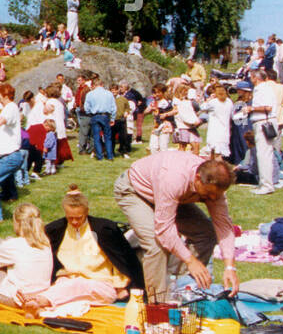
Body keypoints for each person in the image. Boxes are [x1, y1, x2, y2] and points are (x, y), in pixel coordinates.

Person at [113, 153, 239, 302]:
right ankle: (157, 306)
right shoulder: (174, 178)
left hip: (169, 197)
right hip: (135, 191)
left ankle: (181, 288)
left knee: (206, 233)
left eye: (216, 195)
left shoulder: (214, 188)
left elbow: (224, 226)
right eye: (209, 193)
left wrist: (230, 267)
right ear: (198, 178)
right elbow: (164, 230)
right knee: (156, 245)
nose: (212, 198)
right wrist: (190, 260)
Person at [13, 185, 143, 314]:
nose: (74, 222)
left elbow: (123, 259)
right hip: (67, 281)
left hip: (101, 284)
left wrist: (121, 287)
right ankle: (40, 309)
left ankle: (39, 300)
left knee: (78, 285)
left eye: (79, 218)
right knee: (66, 287)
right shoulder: (57, 230)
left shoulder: (104, 230)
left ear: (86, 212)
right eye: (70, 218)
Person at [0, 203, 54, 306]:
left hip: (15, 299)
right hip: (40, 297)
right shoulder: (45, 244)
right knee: (3, 245)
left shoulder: (14, 245)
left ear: (18, 223)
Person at [84, 76, 116, 161]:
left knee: (96, 137)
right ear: (102, 84)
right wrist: (113, 118)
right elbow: (113, 107)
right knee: (108, 137)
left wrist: (90, 112)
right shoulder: (109, 93)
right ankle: (109, 155)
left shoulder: (90, 94)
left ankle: (99, 156)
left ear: (94, 85)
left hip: (95, 115)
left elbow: (86, 107)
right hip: (105, 115)